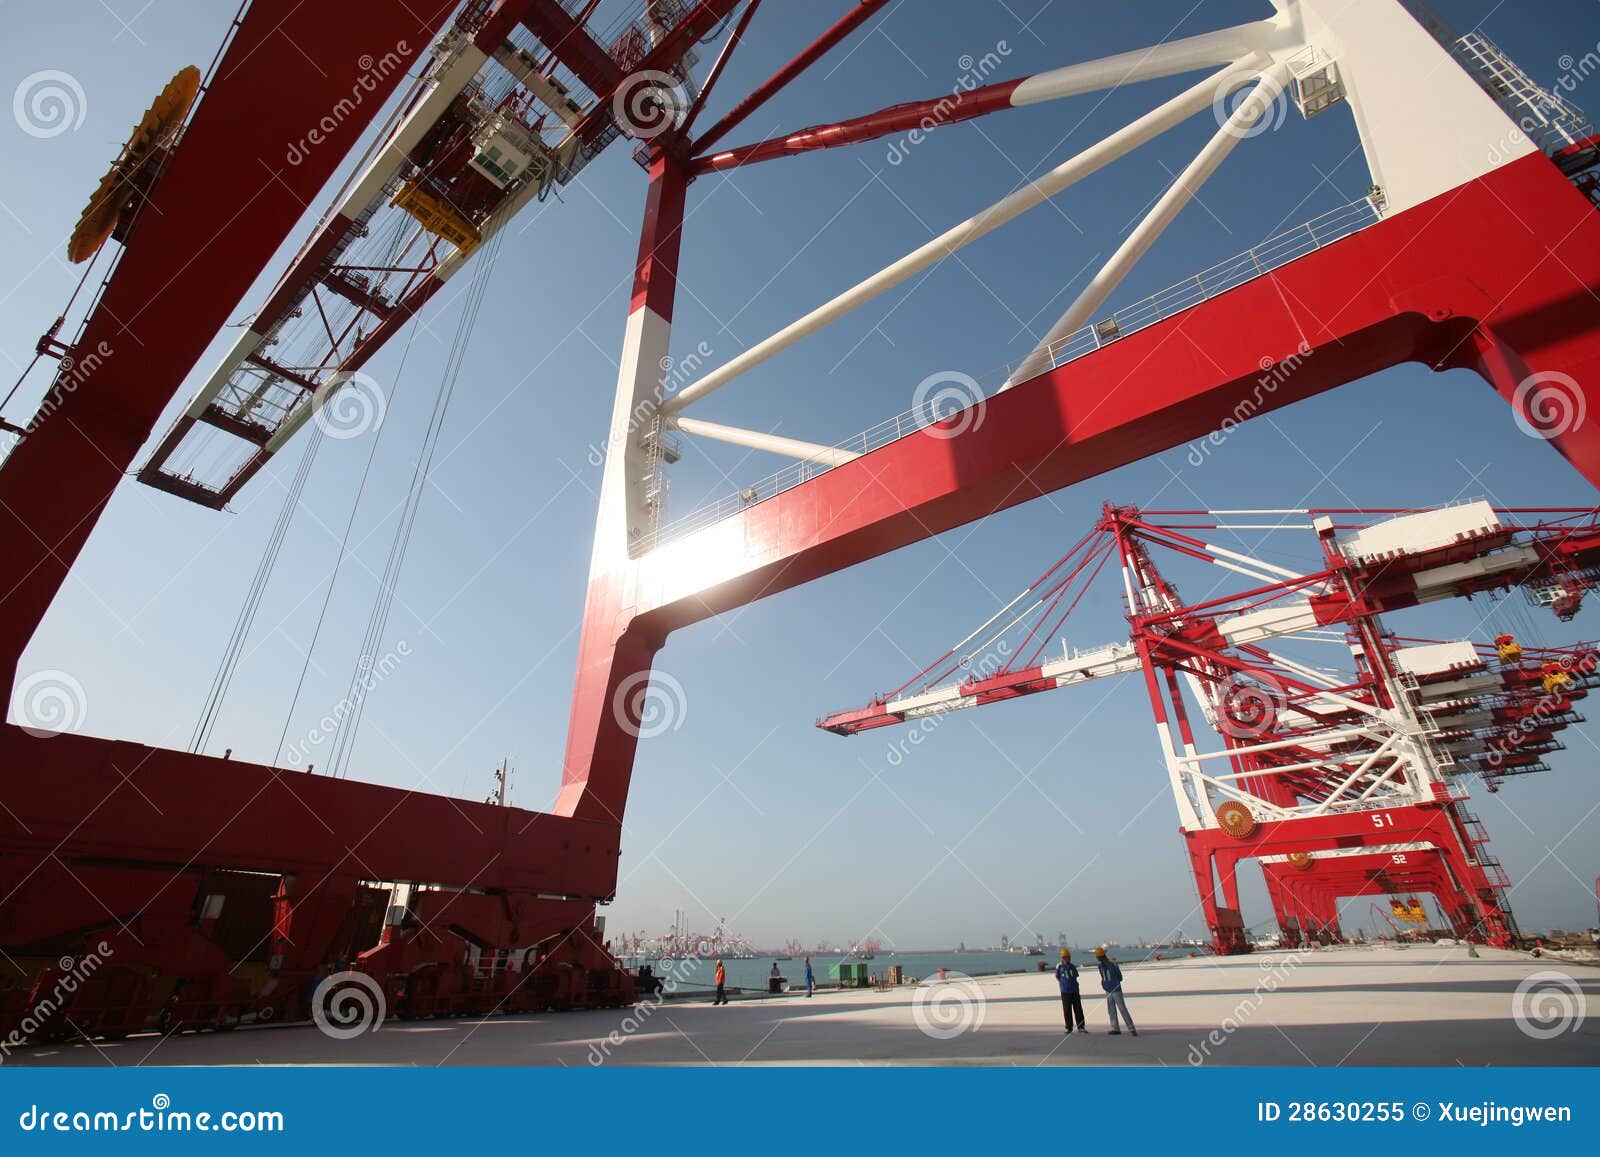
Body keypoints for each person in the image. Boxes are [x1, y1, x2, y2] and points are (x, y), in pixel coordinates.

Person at [1095, 945, 1137, 1036]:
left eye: (1097, 956)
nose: (1097, 958)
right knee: (1111, 1010)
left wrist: (1114, 983)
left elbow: (1120, 977)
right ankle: (1115, 1028)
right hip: (1108, 990)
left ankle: (1131, 1028)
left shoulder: (1113, 964)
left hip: (1116, 990)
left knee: (1122, 1009)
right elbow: (1103, 977)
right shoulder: (1100, 966)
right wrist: (1104, 984)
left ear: (1101, 956)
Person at [1054, 949, 1085, 1034]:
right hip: (1065, 992)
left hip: (1075, 990)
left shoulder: (1072, 967)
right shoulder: (1060, 967)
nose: (1068, 959)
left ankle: (1081, 1027)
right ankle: (1069, 1027)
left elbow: (1075, 976)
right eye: (1066, 957)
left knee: (1078, 1009)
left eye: (1069, 957)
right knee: (1067, 1010)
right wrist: (1063, 984)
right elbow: (1057, 977)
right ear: (1063, 958)